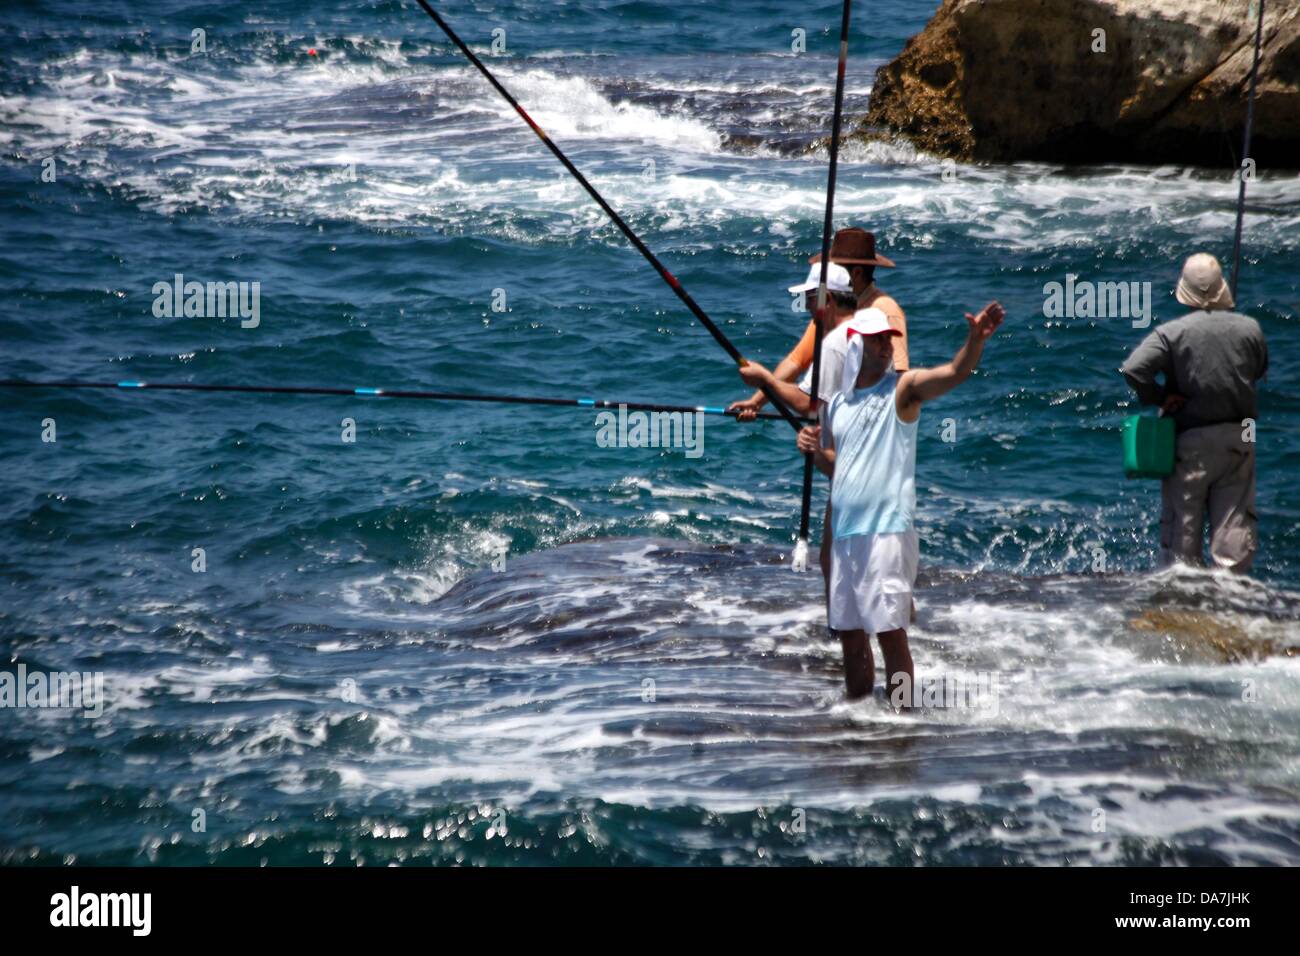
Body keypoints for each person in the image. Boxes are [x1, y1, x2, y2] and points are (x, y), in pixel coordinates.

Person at [798, 301, 1004, 704]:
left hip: (887, 533)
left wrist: (974, 342)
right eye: (877, 340)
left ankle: (902, 726)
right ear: (856, 346)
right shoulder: (838, 405)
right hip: (845, 537)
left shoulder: (902, 391)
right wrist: (812, 451)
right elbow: (839, 467)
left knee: (892, 635)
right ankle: (855, 724)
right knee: (851, 638)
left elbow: (953, 372)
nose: (887, 347)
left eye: (888, 339)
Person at [1120, 253, 1268, 573]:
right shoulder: (1250, 329)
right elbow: (1258, 371)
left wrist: (1160, 397)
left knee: (1182, 537)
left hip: (1191, 439)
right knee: (1234, 529)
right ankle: (1230, 602)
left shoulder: (1171, 333)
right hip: (1241, 434)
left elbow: (1133, 370)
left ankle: (1184, 606)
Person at [728, 228, 907, 423]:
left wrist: (766, 380)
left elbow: (898, 379)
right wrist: (757, 402)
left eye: (835, 266)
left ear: (855, 273)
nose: (805, 305)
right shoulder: (828, 318)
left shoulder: (884, 310)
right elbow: (796, 362)